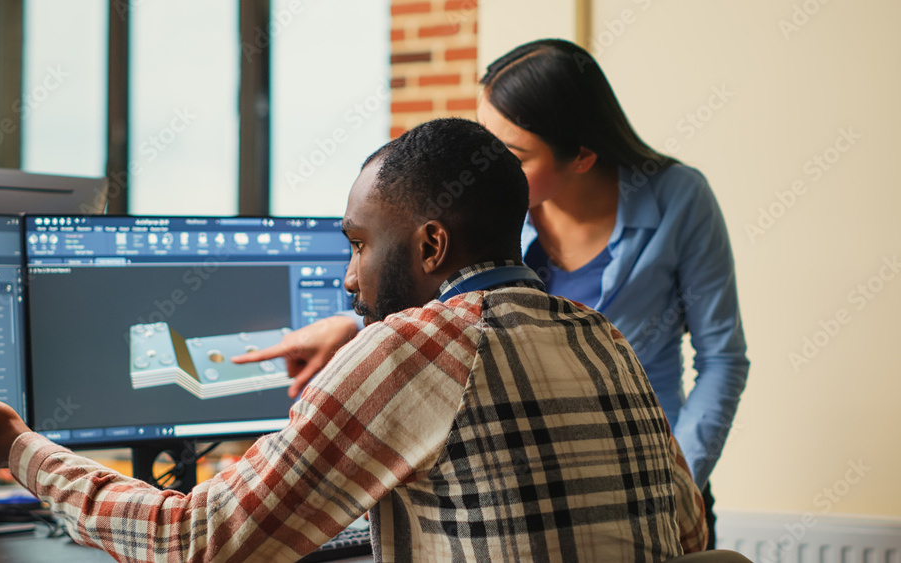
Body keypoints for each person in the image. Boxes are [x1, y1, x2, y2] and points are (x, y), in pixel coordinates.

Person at [0, 118, 707, 562]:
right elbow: (690, 529)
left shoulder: (412, 348)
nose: (348, 276)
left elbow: (196, 538)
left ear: (431, 246)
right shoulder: (602, 336)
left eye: (360, 244)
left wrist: (16, 448)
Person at [236, 40, 749, 547]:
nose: (482, 165)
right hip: (517, 463)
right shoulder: (493, 212)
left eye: (512, 154)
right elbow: (461, 312)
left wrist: (676, 477)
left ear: (582, 156)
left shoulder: (678, 200)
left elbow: (722, 358)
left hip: (642, 464)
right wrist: (354, 327)